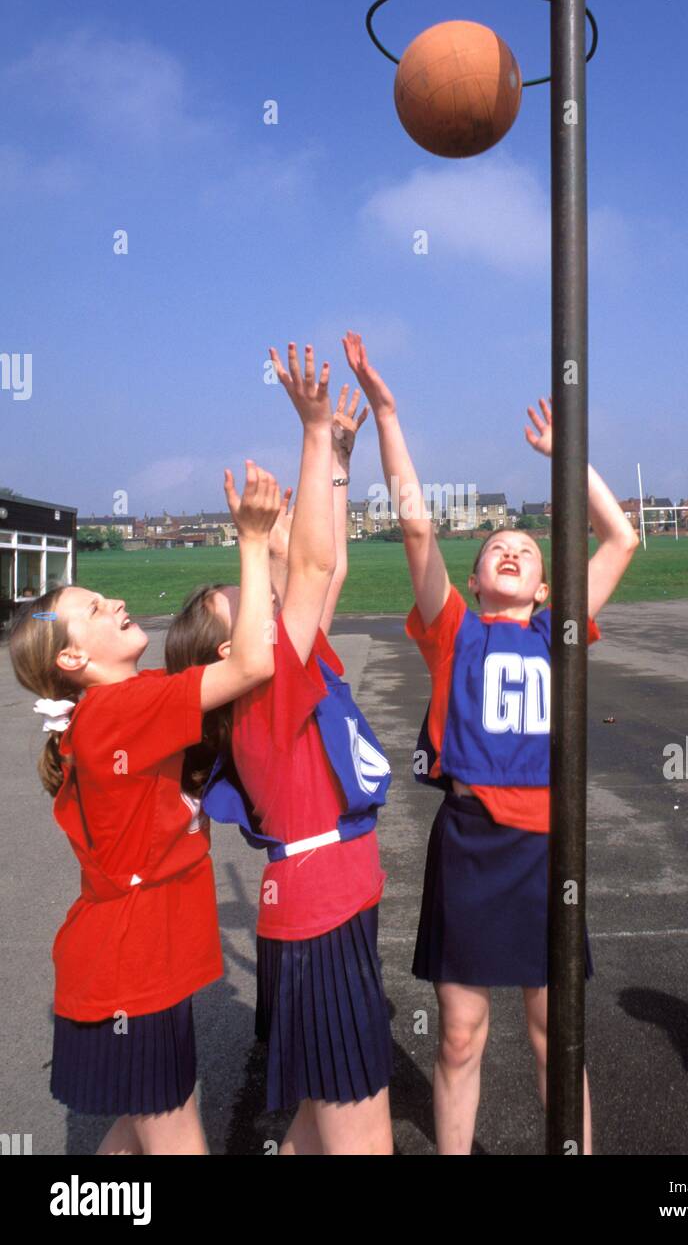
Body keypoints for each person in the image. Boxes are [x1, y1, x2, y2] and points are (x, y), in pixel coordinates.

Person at [343, 334, 639, 1155]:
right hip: (473, 846)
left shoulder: (561, 633)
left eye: (528, 551)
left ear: (546, 585)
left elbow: (621, 540)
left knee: (557, 1037)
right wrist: (389, 415)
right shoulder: (455, 633)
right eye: (494, 551)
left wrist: (567, 456)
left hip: (552, 849)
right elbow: (413, 526)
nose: (510, 549)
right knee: (460, 1037)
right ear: (474, 581)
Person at [8, 461, 282, 1154]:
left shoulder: (120, 708)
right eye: (93, 609)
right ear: (72, 657)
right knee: (175, 1135)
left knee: (140, 1130)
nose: (112, 603)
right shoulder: (121, 710)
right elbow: (251, 662)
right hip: (133, 967)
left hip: (133, 959)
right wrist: (251, 540)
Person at [165, 344, 394, 1155]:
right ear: (226, 660)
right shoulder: (259, 697)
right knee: (361, 1134)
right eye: (248, 600)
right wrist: (306, 430)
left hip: (331, 902)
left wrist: (335, 458)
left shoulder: (284, 675)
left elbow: (321, 575)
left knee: (312, 1125)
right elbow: (312, 561)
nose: (266, 595)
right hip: (319, 912)